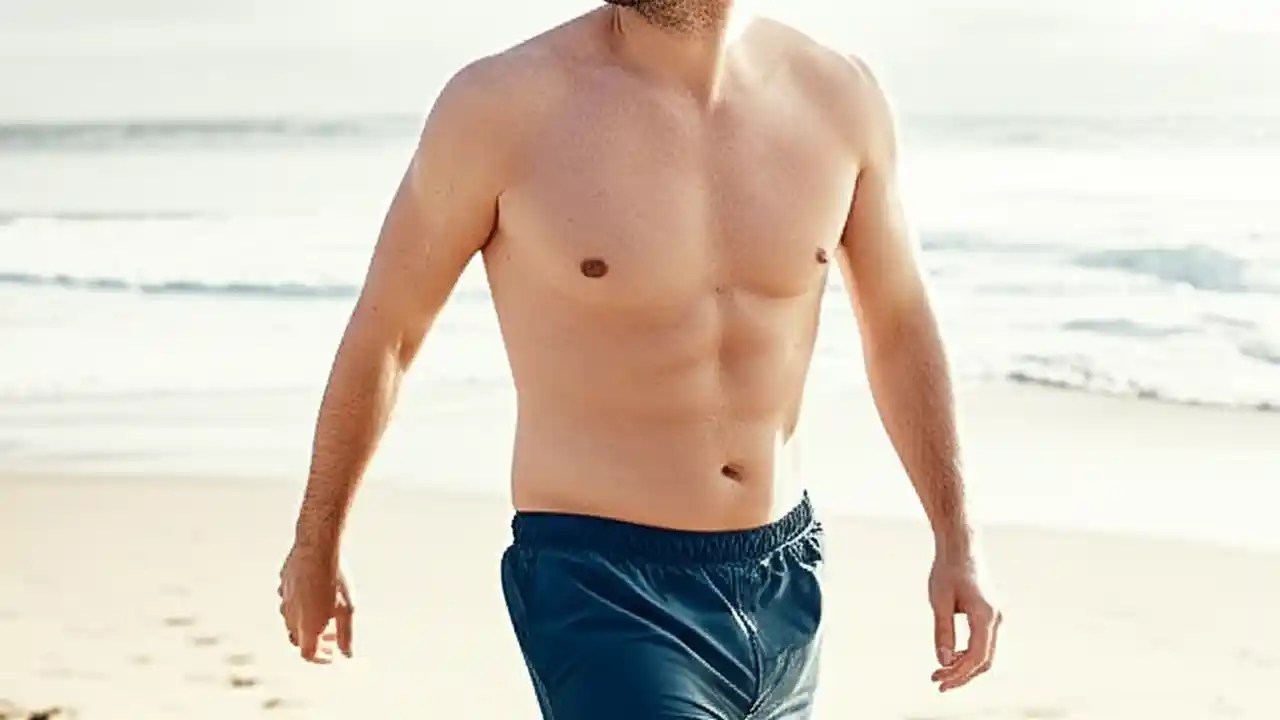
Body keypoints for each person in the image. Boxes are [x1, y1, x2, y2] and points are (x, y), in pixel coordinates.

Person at [277, 1, 1003, 717]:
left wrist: (956, 539)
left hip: (787, 576)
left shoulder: (838, 96)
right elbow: (388, 333)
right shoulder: (501, 106)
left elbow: (900, 324)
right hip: (600, 584)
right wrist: (318, 541)